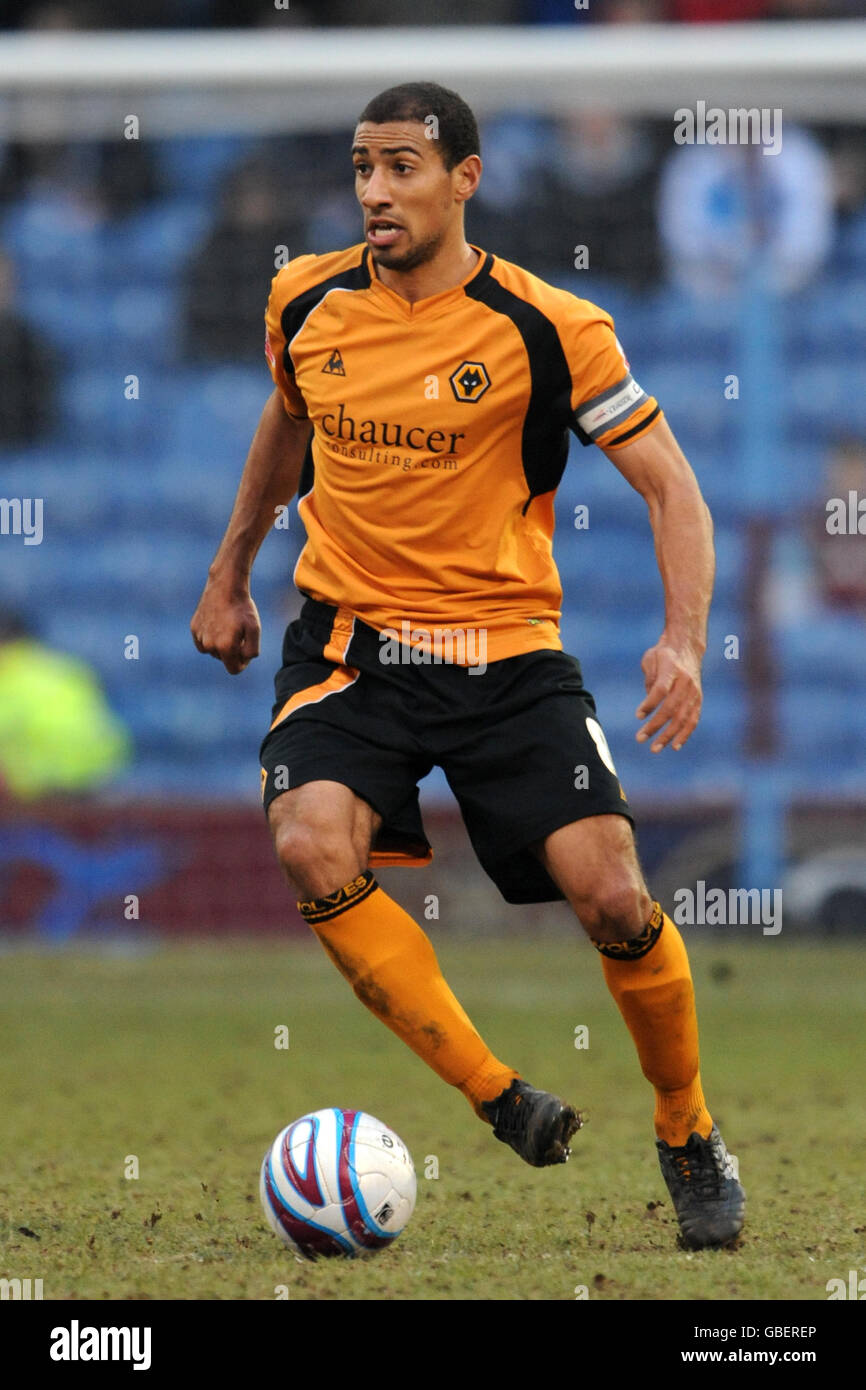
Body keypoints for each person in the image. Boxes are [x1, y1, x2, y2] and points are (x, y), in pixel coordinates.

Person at [191, 82, 745, 1250]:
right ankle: (498, 1095)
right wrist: (230, 571)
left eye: (401, 166)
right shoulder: (305, 299)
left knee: (610, 894)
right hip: (351, 649)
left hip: (506, 656)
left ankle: (686, 1129)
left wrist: (682, 639)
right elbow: (283, 425)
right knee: (307, 843)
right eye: (360, 168)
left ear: (465, 179)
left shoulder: (549, 325)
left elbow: (670, 486)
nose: (375, 192)